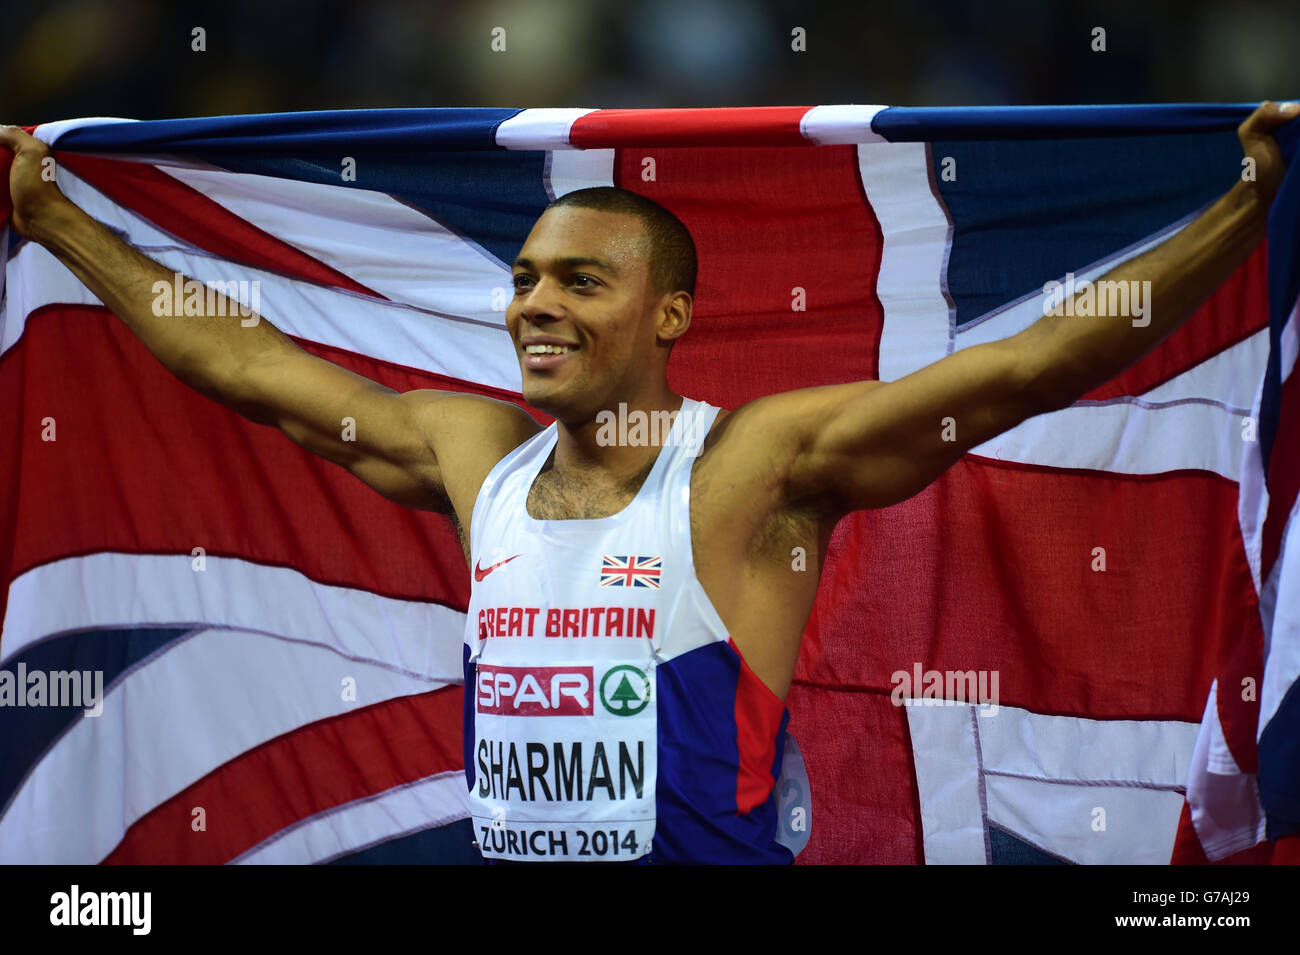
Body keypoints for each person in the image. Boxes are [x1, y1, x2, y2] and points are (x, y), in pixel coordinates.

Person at [1, 102, 1294, 864]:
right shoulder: (477, 461)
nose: (534, 307)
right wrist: (58, 219)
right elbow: (245, 366)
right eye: (523, 280)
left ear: (669, 313)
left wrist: (1247, 207)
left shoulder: (751, 469)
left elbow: (1022, 371)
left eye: (578, 281)